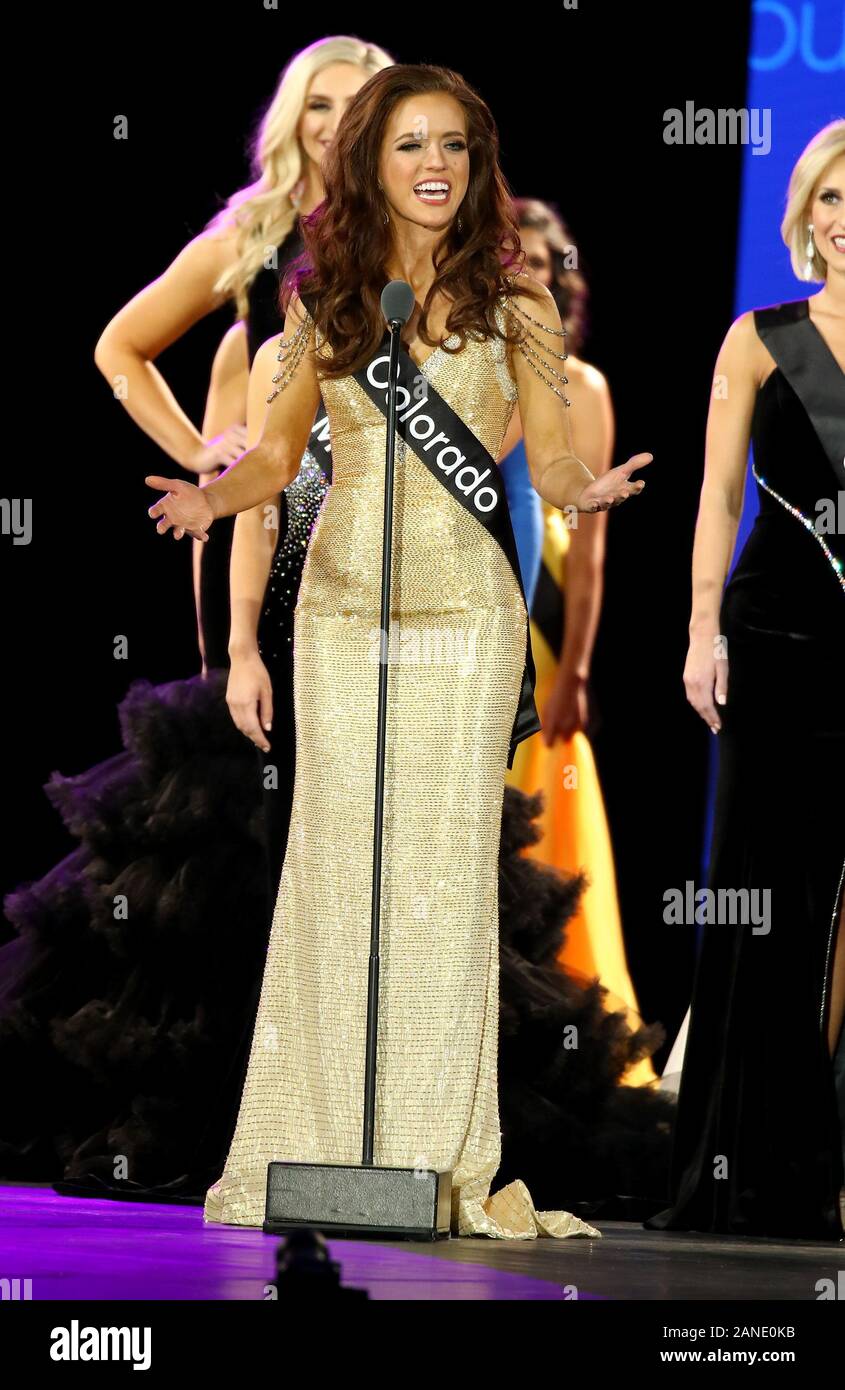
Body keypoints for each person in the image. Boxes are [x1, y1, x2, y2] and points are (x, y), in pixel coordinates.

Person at [147, 63, 651, 1238]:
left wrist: (597, 485)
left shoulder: (516, 306)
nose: (435, 165)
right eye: (411, 144)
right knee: (336, 871)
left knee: (437, 877)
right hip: (340, 608)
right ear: (373, 162)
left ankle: (434, 1152)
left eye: (456, 147)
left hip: (467, 615)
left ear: (476, 168)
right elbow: (275, 460)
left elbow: (555, 469)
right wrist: (214, 503)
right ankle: (314, 1138)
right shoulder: (324, 304)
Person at [646, 121, 845, 1241]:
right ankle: (748, 1170)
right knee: (765, 905)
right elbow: (717, 501)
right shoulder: (757, 340)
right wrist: (697, 631)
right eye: (828, 196)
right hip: (774, 643)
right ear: (804, 214)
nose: (843, 217)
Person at [501, 198, 655, 1086]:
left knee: (547, 832)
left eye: (537, 261)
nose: (524, 272)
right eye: (507, 259)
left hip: (543, 618)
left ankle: (568, 1045)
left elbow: (590, 550)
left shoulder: (582, 385)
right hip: (462, 603)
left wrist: (579, 673)